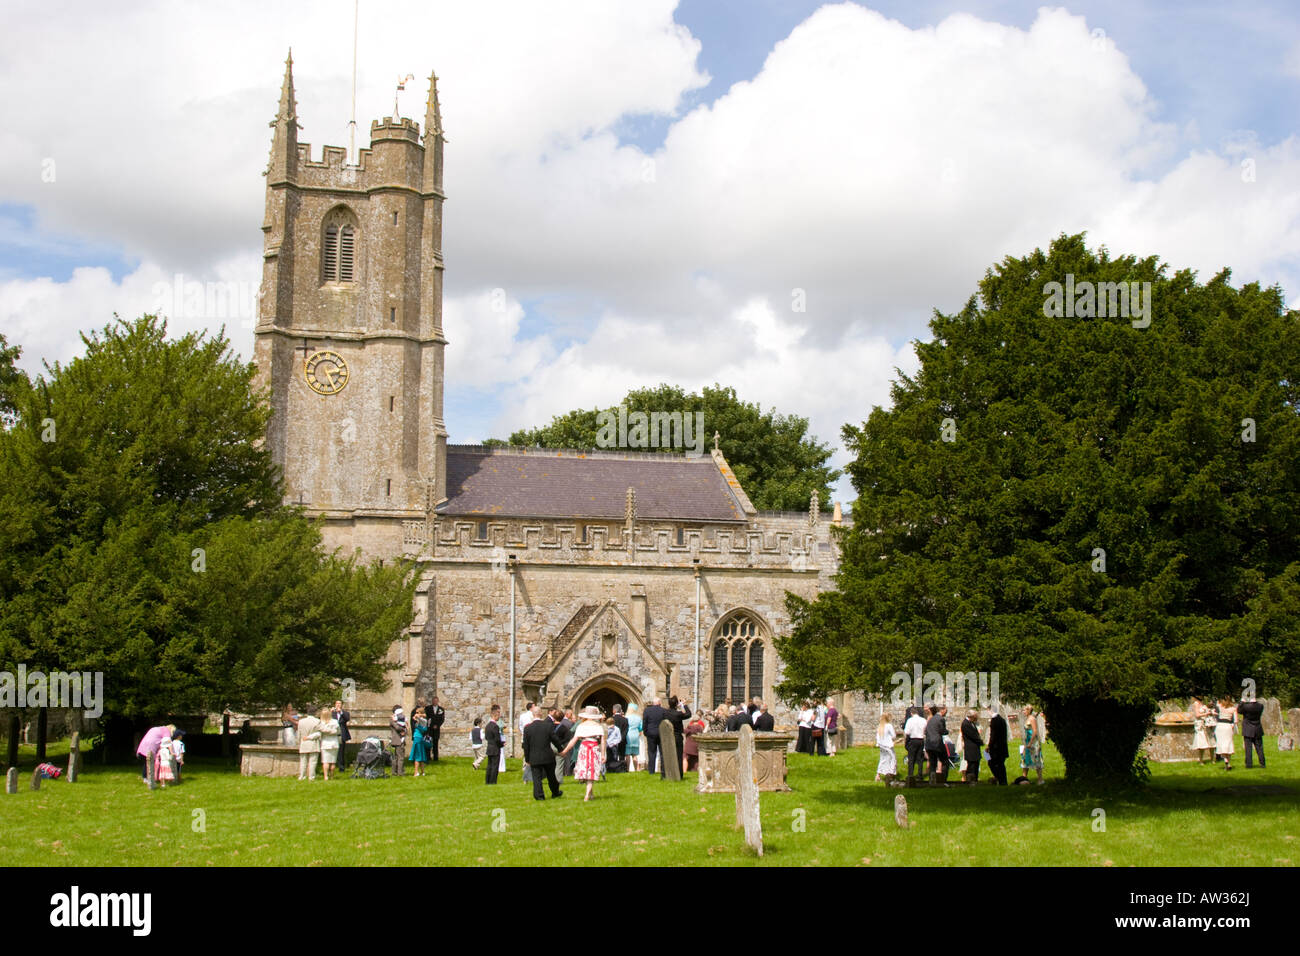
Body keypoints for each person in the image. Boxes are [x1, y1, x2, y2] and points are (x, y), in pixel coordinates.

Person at [560, 705, 606, 801]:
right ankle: (587, 795)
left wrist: (565, 750)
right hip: (593, 748)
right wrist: (603, 754)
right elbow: (603, 742)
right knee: (590, 772)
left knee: (587, 771)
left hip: (584, 748)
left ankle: (589, 794)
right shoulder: (598, 727)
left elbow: (573, 740)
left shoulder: (581, 726)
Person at [522, 707, 563, 800]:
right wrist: (561, 750)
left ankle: (539, 796)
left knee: (537, 778)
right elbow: (555, 739)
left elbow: (526, 745)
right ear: (541, 714)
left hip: (534, 757)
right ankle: (555, 792)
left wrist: (527, 759)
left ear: (533, 714)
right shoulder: (547, 726)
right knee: (551, 776)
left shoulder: (528, 728)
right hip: (547, 755)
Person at [1016, 705, 1043, 784]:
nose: (1023, 712)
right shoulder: (1027, 718)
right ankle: (1024, 778)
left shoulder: (1032, 719)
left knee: (1036, 759)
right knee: (1025, 759)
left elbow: (1035, 731)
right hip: (1027, 741)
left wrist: (1031, 742)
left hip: (1034, 742)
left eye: (1024, 710)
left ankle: (1040, 779)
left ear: (1028, 710)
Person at [924, 705, 949, 785]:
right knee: (945, 761)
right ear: (943, 710)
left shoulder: (931, 719)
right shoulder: (940, 719)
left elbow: (926, 731)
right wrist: (947, 731)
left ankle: (932, 779)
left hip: (928, 744)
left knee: (932, 762)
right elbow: (942, 730)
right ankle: (943, 779)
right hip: (937, 744)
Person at [1238, 696, 1265, 769]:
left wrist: (1241, 702)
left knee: (1248, 748)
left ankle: (1249, 764)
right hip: (1257, 728)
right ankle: (1262, 763)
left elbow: (1239, 711)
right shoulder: (1261, 706)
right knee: (1259, 747)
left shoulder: (1246, 707)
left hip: (1248, 729)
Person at [642, 697, 667, 775]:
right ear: (659, 703)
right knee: (662, 752)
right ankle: (663, 770)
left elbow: (645, 722)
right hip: (661, 733)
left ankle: (651, 771)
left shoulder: (647, 710)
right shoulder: (663, 711)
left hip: (651, 733)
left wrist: (645, 732)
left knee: (651, 752)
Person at [903, 706, 927, 784]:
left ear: (911, 713)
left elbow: (907, 732)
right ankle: (920, 775)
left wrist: (905, 742)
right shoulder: (923, 720)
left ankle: (910, 775)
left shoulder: (910, 720)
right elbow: (925, 731)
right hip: (921, 740)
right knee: (920, 758)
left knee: (911, 758)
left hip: (913, 740)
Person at [986, 705, 1009, 785]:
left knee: (991, 763)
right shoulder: (1001, 719)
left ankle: (1000, 779)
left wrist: (989, 746)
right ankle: (1003, 781)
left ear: (990, 710)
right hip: (1002, 747)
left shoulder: (994, 720)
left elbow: (993, 735)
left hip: (996, 748)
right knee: (1000, 765)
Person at [298, 708, 322, 781]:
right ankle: (311, 777)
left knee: (303, 761)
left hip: (303, 742)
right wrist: (310, 737)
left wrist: (299, 742)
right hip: (313, 742)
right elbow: (319, 733)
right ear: (315, 713)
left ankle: (302, 776)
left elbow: (299, 733)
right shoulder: (317, 721)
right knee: (313, 762)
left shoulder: (301, 721)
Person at [318, 707, 341, 781]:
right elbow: (338, 732)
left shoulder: (321, 723)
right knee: (333, 761)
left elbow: (319, 733)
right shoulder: (335, 722)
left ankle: (326, 776)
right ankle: (331, 776)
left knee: (325, 761)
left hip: (325, 743)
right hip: (334, 743)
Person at [1214, 698, 1236, 771]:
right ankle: (1228, 762)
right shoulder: (1233, 708)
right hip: (1228, 726)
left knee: (1221, 743)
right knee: (1228, 743)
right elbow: (1235, 720)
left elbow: (1216, 705)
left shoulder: (1220, 706)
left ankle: (1226, 761)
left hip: (1220, 726)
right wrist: (1232, 725)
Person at [960, 710, 982, 784]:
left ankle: (975, 779)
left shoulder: (971, 723)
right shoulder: (966, 724)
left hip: (974, 748)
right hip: (971, 748)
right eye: (975, 716)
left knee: (975, 764)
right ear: (972, 716)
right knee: (971, 766)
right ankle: (970, 780)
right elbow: (973, 735)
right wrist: (980, 741)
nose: (976, 718)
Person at [408, 706, 430, 777]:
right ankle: (422, 772)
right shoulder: (420, 720)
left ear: (421, 713)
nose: (416, 714)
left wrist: (418, 716)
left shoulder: (423, 720)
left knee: (417, 756)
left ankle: (416, 772)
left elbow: (423, 716)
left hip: (418, 738)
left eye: (418, 712)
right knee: (420, 756)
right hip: (417, 738)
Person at [519, 702, 538, 784]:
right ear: (531, 708)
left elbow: (520, 727)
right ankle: (532, 776)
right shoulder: (532, 715)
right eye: (534, 706)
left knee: (526, 757)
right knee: (532, 758)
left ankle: (525, 778)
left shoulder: (522, 716)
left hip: (524, 738)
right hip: (532, 739)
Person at [553, 707, 575, 777]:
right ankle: (567, 773)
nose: (571, 715)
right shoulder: (569, 724)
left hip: (553, 744)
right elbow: (569, 736)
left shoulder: (551, 724)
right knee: (566, 759)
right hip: (563, 744)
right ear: (566, 714)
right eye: (571, 714)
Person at [484, 705, 503, 784]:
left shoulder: (487, 726)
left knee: (489, 766)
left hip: (489, 747)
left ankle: (487, 780)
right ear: (495, 715)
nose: (499, 717)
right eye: (498, 715)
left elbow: (486, 737)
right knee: (495, 766)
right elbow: (497, 739)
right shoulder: (495, 726)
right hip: (495, 748)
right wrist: (502, 744)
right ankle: (493, 781)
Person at [876, 713, 897, 783]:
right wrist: (891, 739)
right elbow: (893, 736)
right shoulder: (889, 726)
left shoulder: (880, 726)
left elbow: (877, 737)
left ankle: (878, 775)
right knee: (892, 759)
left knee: (883, 759)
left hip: (881, 745)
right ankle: (891, 773)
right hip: (888, 745)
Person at [1191, 697, 1213, 763]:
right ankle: (1201, 760)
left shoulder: (1202, 703)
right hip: (1199, 724)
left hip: (1206, 723)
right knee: (1201, 743)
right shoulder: (1196, 704)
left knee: (1210, 741)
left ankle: (1212, 759)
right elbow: (1197, 715)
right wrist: (1206, 714)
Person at [331, 699, 351, 769]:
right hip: (333, 733)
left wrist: (341, 712)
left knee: (341, 751)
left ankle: (341, 766)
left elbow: (347, 718)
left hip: (342, 734)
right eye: (337, 703)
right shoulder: (332, 713)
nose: (338, 705)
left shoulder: (345, 713)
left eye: (339, 703)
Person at [389, 705, 407, 777]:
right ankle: (400, 772)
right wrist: (403, 729)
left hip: (397, 740)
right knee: (399, 757)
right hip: (398, 740)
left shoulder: (399, 719)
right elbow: (397, 727)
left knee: (397, 757)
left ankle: (395, 771)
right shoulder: (393, 719)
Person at [426, 696, 445, 761]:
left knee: (435, 743)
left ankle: (435, 757)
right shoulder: (428, 708)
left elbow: (442, 719)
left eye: (436, 701)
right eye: (434, 701)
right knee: (428, 742)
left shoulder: (441, 709)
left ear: (438, 701)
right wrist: (430, 725)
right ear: (432, 701)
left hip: (437, 729)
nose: (435, 702)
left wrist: (437, 725)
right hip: (430, 729)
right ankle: (428, 757)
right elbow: (427, 718)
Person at [625, 703, 643, 770]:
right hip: (636, 735)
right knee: (634, 755)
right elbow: (641, 728)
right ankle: (636, 769)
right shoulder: (638, 718)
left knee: (627, 754)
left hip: (628, 736)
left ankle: (627, 769)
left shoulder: (626, 717)